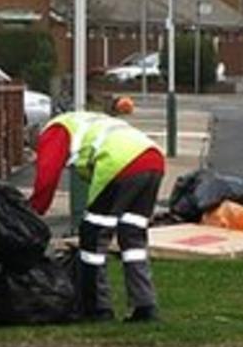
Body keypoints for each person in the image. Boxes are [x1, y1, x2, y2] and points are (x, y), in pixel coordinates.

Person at [29, 111, 164, 322]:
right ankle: (145, 305)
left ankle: (97, 308)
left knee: (93, 237)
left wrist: (32, 213)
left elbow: (47, 176)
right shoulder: (86, 120)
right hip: (152, 160)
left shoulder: (54, 131)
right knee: (133, 238)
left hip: (119, 164)